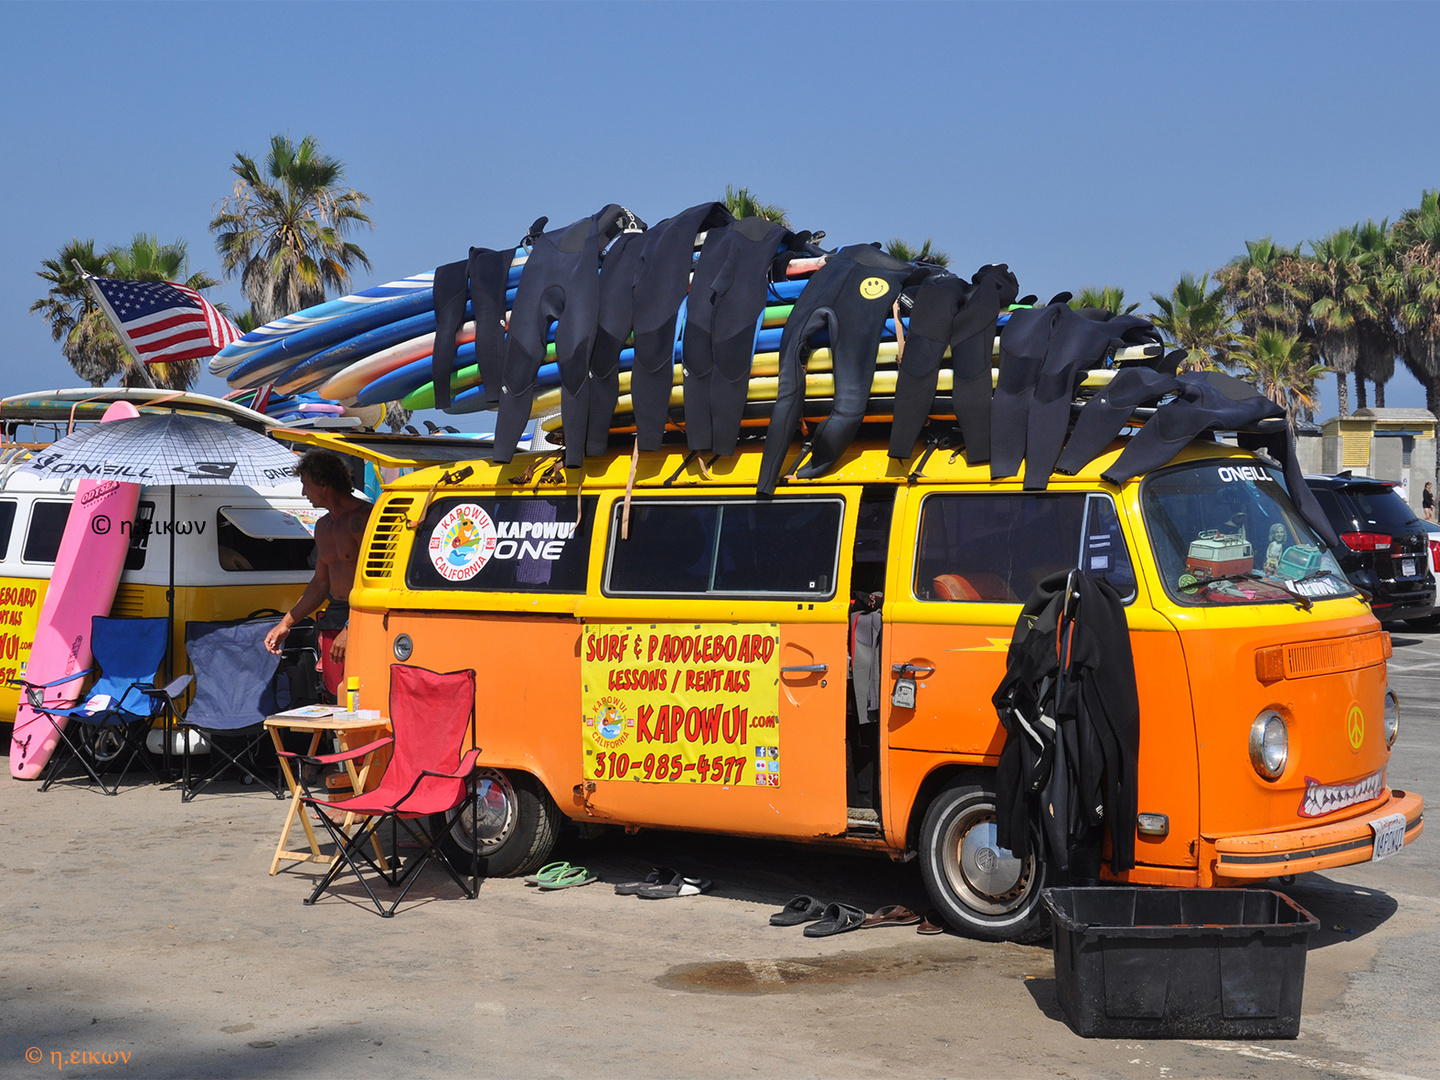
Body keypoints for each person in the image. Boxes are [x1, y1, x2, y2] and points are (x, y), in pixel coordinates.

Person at [264, 449, 373, 698]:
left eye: (306, 484)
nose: (304, 493)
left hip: (362, 619)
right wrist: (286, 624)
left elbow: (377, 580)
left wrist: (350, 628)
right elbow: (320, 583)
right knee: (335, 696)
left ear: (324, 483)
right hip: (334, 619)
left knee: (360, 698)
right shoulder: (324, 526)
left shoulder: (364, 518)